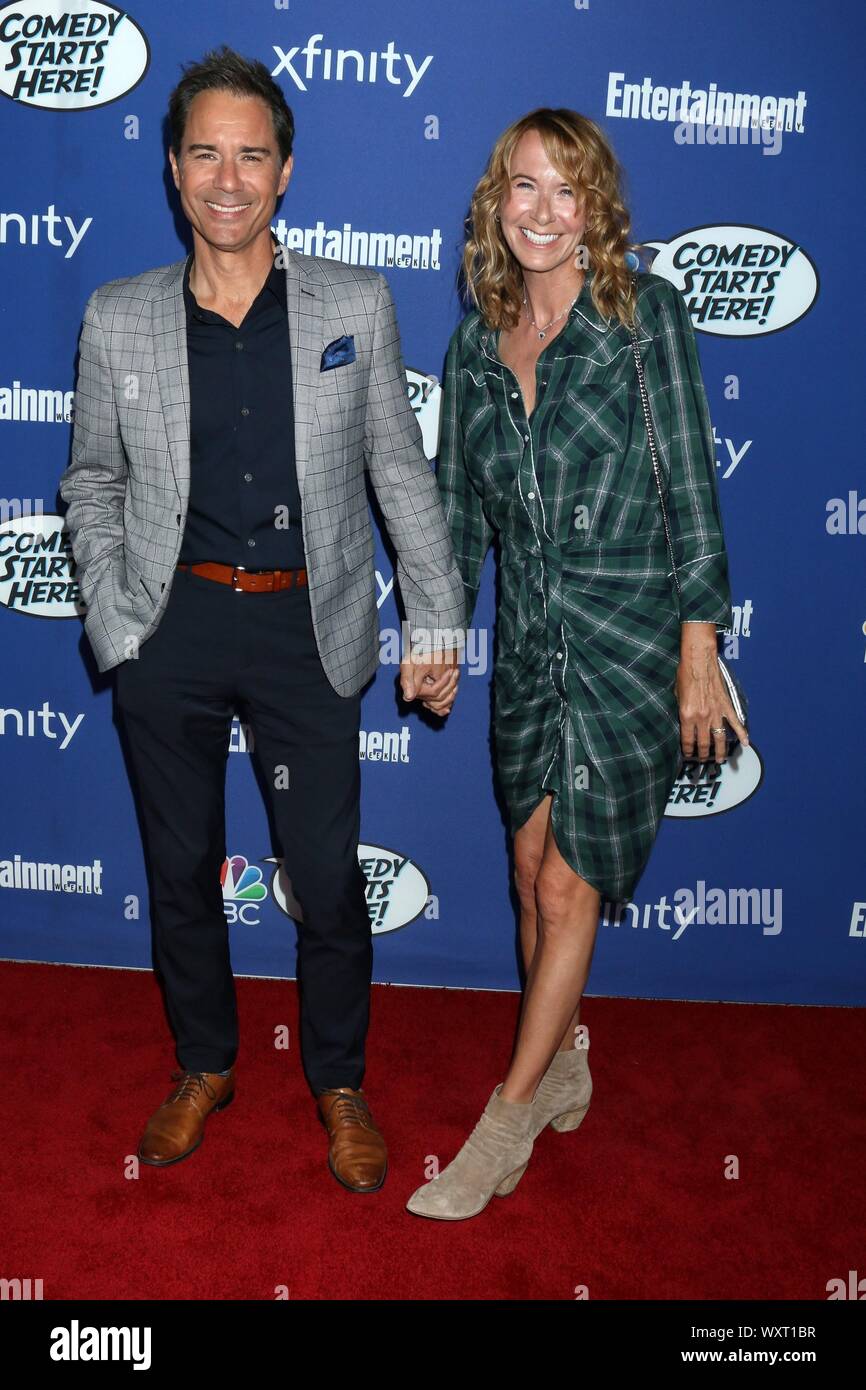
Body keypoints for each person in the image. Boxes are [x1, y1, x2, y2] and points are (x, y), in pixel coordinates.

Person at [59, 46, 463, 1192]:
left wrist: (433, 620)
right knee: (179, 868)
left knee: (326, 879)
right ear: (174, 171)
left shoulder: (352, 302)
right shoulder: (116, 315)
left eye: (251, 154)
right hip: (169, 632)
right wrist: (113, 620)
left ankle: (337, 1080)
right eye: (204, 153)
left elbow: (401, 471)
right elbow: (89, 483)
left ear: (284, 171)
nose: (227, 178)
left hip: (309, 630)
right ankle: (205, 1064)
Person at [406, 108, 747, 1220]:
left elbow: (689, 477)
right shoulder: (474, 341)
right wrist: (440, 632)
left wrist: (699, 641)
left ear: (595, 208)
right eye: (522, 187)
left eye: (566, 191)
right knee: (523, 864)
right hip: (535, 634)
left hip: (630, 633)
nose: (542, 211)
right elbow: (455, 508)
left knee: (568, 881)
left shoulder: (641, 314)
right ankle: (563, 1062)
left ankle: (501, 1127)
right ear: (493, 203)